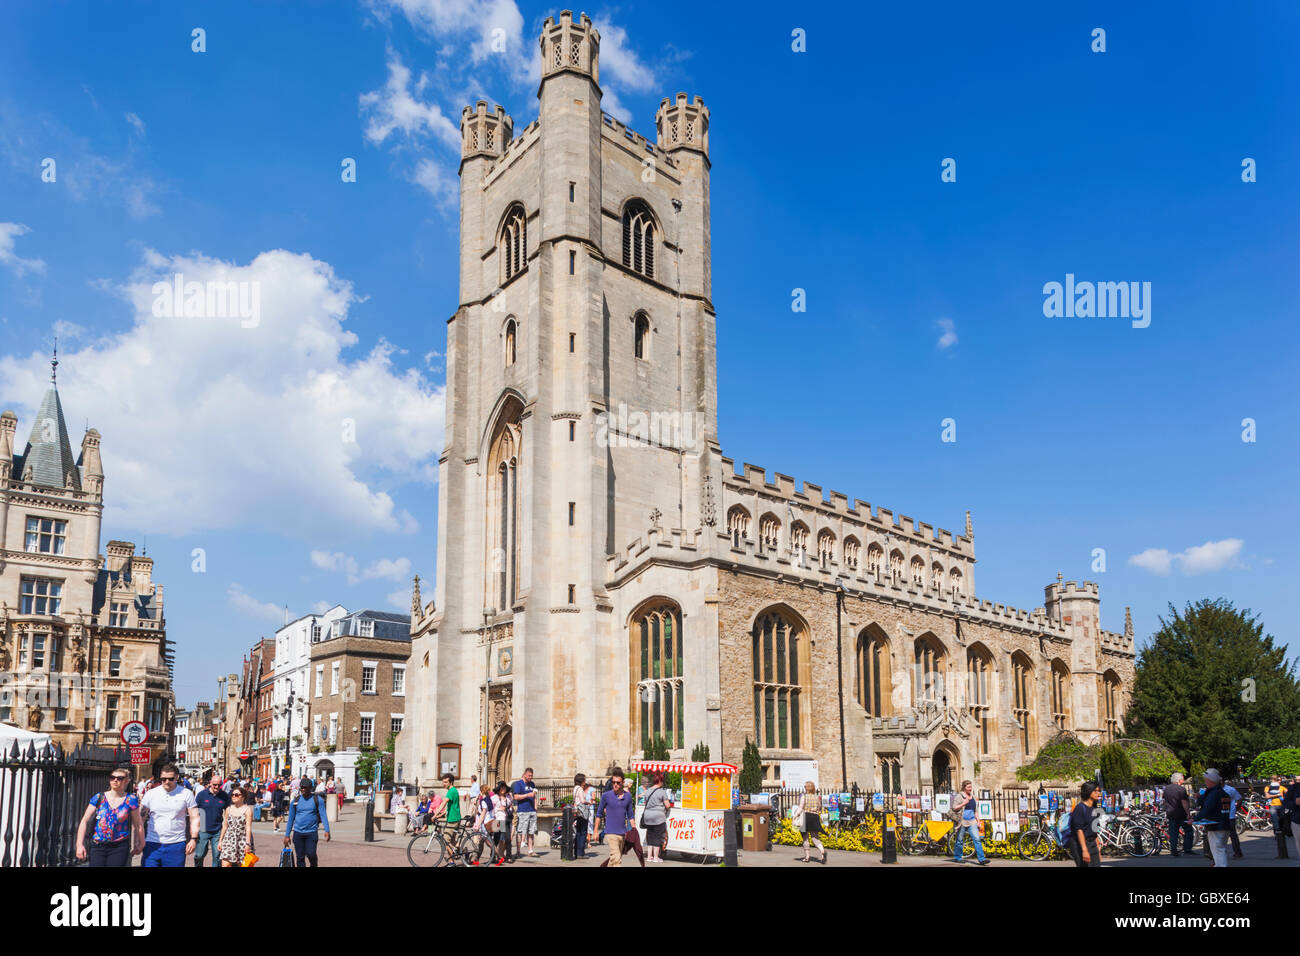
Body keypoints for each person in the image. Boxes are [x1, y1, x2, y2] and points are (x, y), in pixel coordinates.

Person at [74, 766, 144, 867]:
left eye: (119, 778)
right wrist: (79, 845)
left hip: (119, 846)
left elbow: (138, 824)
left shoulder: (130, 799)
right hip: (98, 845)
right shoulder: (99, 797)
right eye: (112, 777)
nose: (115, 780)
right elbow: (84, 820)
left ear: (126, 781)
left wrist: (141, 843)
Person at [139, 764, 200, 867]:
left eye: (170, 779)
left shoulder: (186, 793)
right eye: (164, 779)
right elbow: (140, 818)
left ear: (176, 777)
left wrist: (194, 839)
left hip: (176, 844)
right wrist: (138, 838)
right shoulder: (151, 794)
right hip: (152, 843)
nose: (167, 782)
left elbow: (194, 818)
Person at [284, 777, 332, 867]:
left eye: (305, 787)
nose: (303, 789)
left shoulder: (317, 800)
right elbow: (290, 819)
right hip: (298, 833)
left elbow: (323, 815)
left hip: (311, 832)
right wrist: (287, 835)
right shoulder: (295, 801)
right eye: (301, 787)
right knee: (300, 857)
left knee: (311, 854)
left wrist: (327, 830)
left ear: (310, 788)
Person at [596, 768, 637, 866]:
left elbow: (630, 815)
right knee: (616, 859)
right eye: (613, 782)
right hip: (610, 833)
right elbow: (599, 814)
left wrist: (634, 829)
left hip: (622, 833)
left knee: (614, 859)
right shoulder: (606, 796)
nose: (615, 784)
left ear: (623, 782)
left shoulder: (627, 797)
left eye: (618, 782)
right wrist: (595, 831)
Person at [1195, 769, 1232, 867]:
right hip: (1225, 823)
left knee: (1218, 849)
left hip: (1215, 824)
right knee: (1221, 848)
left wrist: (1195, 819)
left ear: (1210, 780)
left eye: (1206, 780)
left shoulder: (1213, 793)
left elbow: (1207, 808)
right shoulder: (1222, 792)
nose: (1205, 781)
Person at [193, 775, 231, 866]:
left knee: (217, 855)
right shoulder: (202, 795)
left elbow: (228, 810)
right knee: (199, 855)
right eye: (214, 785)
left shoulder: (224, 795)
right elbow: (194, 811)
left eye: (219, 785)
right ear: (210, 783)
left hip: (217, 830)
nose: (217, 787)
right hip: (203, 829)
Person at [950, 779, 988, 865]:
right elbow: (954, 808)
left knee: (977, 839)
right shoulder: (959, 796)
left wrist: (978, 821)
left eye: (971, 786)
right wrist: (964, 803)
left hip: (972, 821)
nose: (970, 788)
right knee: (959, 840)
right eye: (968, 787)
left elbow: (975, 811)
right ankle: (958, 857)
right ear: (964, 788)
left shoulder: (973, 797)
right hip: (962, 821)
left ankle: (981, 859)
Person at [218, 786, 256, 867]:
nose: (234, 796)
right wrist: (220, 840)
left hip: (242, 839)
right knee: (225, 865)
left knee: (243, 864)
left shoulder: (247, 810)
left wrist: (248, 844)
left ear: (243, 797)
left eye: (236, 795)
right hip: (229, 838)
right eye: (232, 795)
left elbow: (248, 827)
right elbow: (225, 825)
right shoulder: (228, 809)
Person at [641, 771, 673, 863]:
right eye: (662, 781)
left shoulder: (648, 791)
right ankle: (656, 857)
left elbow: (646, 802)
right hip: (658, 817)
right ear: (660, 781)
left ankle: (649, 857)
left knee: (650, 837)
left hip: (648, 817)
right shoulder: (662, 792)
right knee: (657, 837)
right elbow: (667, 805)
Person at [1068, 781, 1101, 867]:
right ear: (1088, 792)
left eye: (1098, 791)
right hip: (1079, 843)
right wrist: (1084, 850)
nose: (1098, 793)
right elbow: (1079, 831)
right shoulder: (1080, 808)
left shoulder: (1095, 808)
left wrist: (1098, 848)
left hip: (1092, 842)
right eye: (1095, 791)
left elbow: (1094, 830)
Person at [1162, 772, 1194, 857]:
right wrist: (1188, 813)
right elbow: (1184, 802)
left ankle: (1174, 851)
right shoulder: (1181, 789)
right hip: (1181, 814)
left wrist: (1167, 808)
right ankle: (1187, 848)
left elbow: (1164, 801)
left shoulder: (1166, 789)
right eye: (1182, 778)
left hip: (1171, 814)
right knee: (1189, 830)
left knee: (1173, 833)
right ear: (1179, 780)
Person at [512, 768, 539, 857]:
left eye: (531, 776)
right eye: (529, 776)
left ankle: (530, 851)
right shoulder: (518, 784)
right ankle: (518, 851)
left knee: (531, 832)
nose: (530, 777)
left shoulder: (532, 784)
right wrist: (527, 795)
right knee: (520, 832)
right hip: (523, 811)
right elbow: (515, 796)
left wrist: (535, 805)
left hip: (532, 811)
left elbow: (534, 796)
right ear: (524, 774)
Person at [798, 780, 826, 864]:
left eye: (805, 786)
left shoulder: (804, 797)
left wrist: (795, 816)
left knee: (805, 838)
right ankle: (823, 853)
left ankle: (807, 857)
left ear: (806, 788)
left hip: (805, 817)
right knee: (815, 838)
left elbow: (800, 808)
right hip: (815, 817)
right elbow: (820, 808)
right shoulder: (817, 797)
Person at [1267, 774, 1288, 858]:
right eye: (1277, 780)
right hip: (1273, 806)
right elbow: (1267, 796)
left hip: (1281, 805)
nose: (1279, 781)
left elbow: (1288, 793)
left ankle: (1282, 833)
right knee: (1275, 820)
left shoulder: (1282, 787)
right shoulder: (1268, 787)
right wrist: (1278, 795)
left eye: (1279, 780)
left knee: (1282, 819)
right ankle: (1277, 835)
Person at [573, 773, 593, 859]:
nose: (585, 781)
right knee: (582, 832)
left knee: (578, 832)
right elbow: (582, 801)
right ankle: (580, 853)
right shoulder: (580, 789)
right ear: (582, 780)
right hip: (582, 812)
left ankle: (576, 852)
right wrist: (589, 802)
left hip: (577, 811)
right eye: (584, 779)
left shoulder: (575, 788)